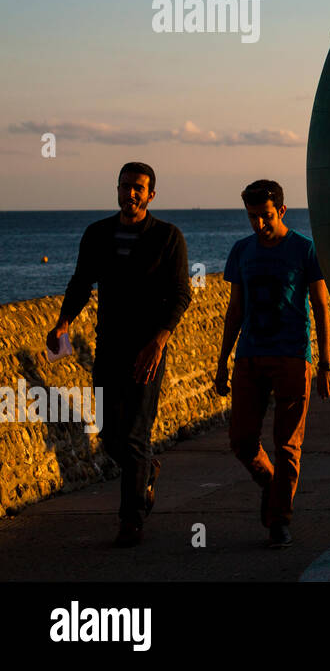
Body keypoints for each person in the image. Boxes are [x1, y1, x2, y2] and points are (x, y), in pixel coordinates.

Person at [45, 163, 192, 547]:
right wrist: (63, 323)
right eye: (125, 186)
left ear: (151, 195)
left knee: (135, 434)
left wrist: (158, 342)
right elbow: (81, 283)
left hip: (148, 351)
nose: (131, 193)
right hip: (108, 347)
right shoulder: (98, 234)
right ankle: (145, 471)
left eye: (139, 188)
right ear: (117, 189)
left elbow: (181, 296)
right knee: (111, 439)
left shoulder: (167, 237)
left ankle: (132, 520)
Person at [215, 179, 330, 548]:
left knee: (287, 446)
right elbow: (235, 310)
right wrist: (222, 363)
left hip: (292, 357)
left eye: (265, 216)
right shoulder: (242, 251)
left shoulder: (304, 249)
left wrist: (326, 363)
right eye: (252, 217)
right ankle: (271, 484)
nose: (259, 224)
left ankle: (279, 520)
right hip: (250, 356)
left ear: (281, 210)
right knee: (241, 440)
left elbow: (320, 307)